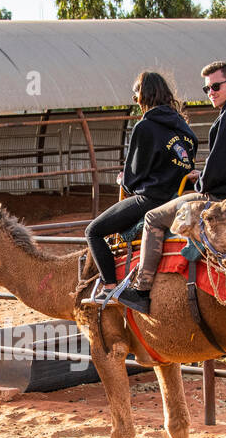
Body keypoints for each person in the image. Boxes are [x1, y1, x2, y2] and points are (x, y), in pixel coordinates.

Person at [121, 60, 226, 313]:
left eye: (216, 87)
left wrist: (201, 181)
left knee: (153, 217)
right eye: (207, 89)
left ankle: (141, 289)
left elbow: (217, 169)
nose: (211, 93)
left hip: (221, 198)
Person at [82, 71, 197, 306]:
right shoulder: (184, 128)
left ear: (145, 96)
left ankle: (110, 287)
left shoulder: (145, 127)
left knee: (92, 232)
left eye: (136, 97)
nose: (136, 102)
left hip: (152, 199)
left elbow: (134, 180)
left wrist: (122, 180)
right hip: (178, 198)